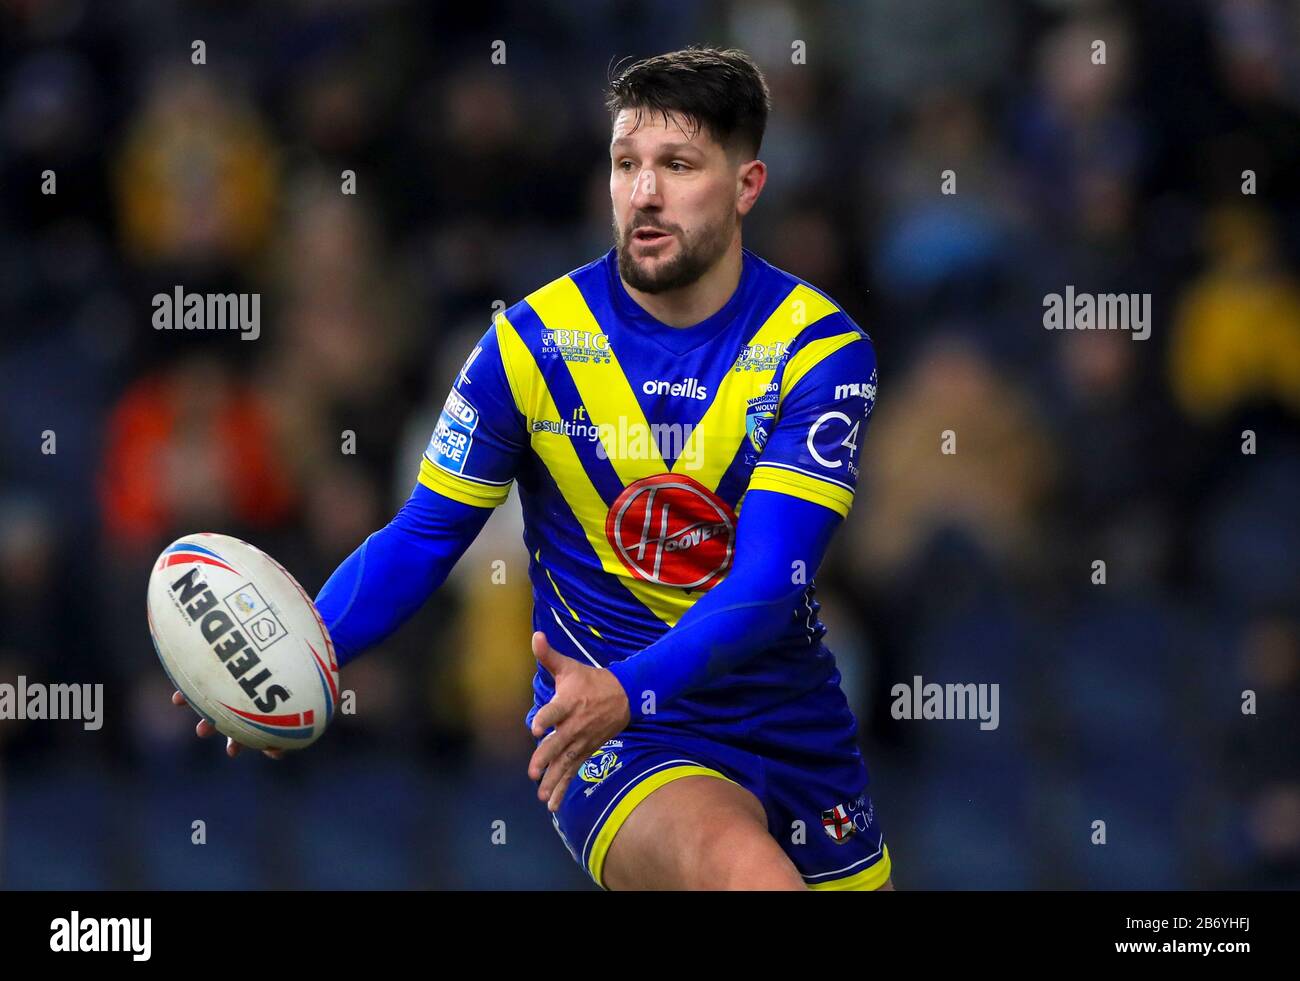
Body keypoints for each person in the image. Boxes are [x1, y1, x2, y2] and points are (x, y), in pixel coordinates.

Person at [174, 46, 891, 891]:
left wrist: (627, 686)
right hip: (615, 736)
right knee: (747, 876)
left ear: (747, 186)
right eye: (625, 163)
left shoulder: (819, 350)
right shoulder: (528, 345)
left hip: (791, 730)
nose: (644, 192)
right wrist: (303, 653)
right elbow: (424, 535)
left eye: (677, 165)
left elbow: (769, 584)